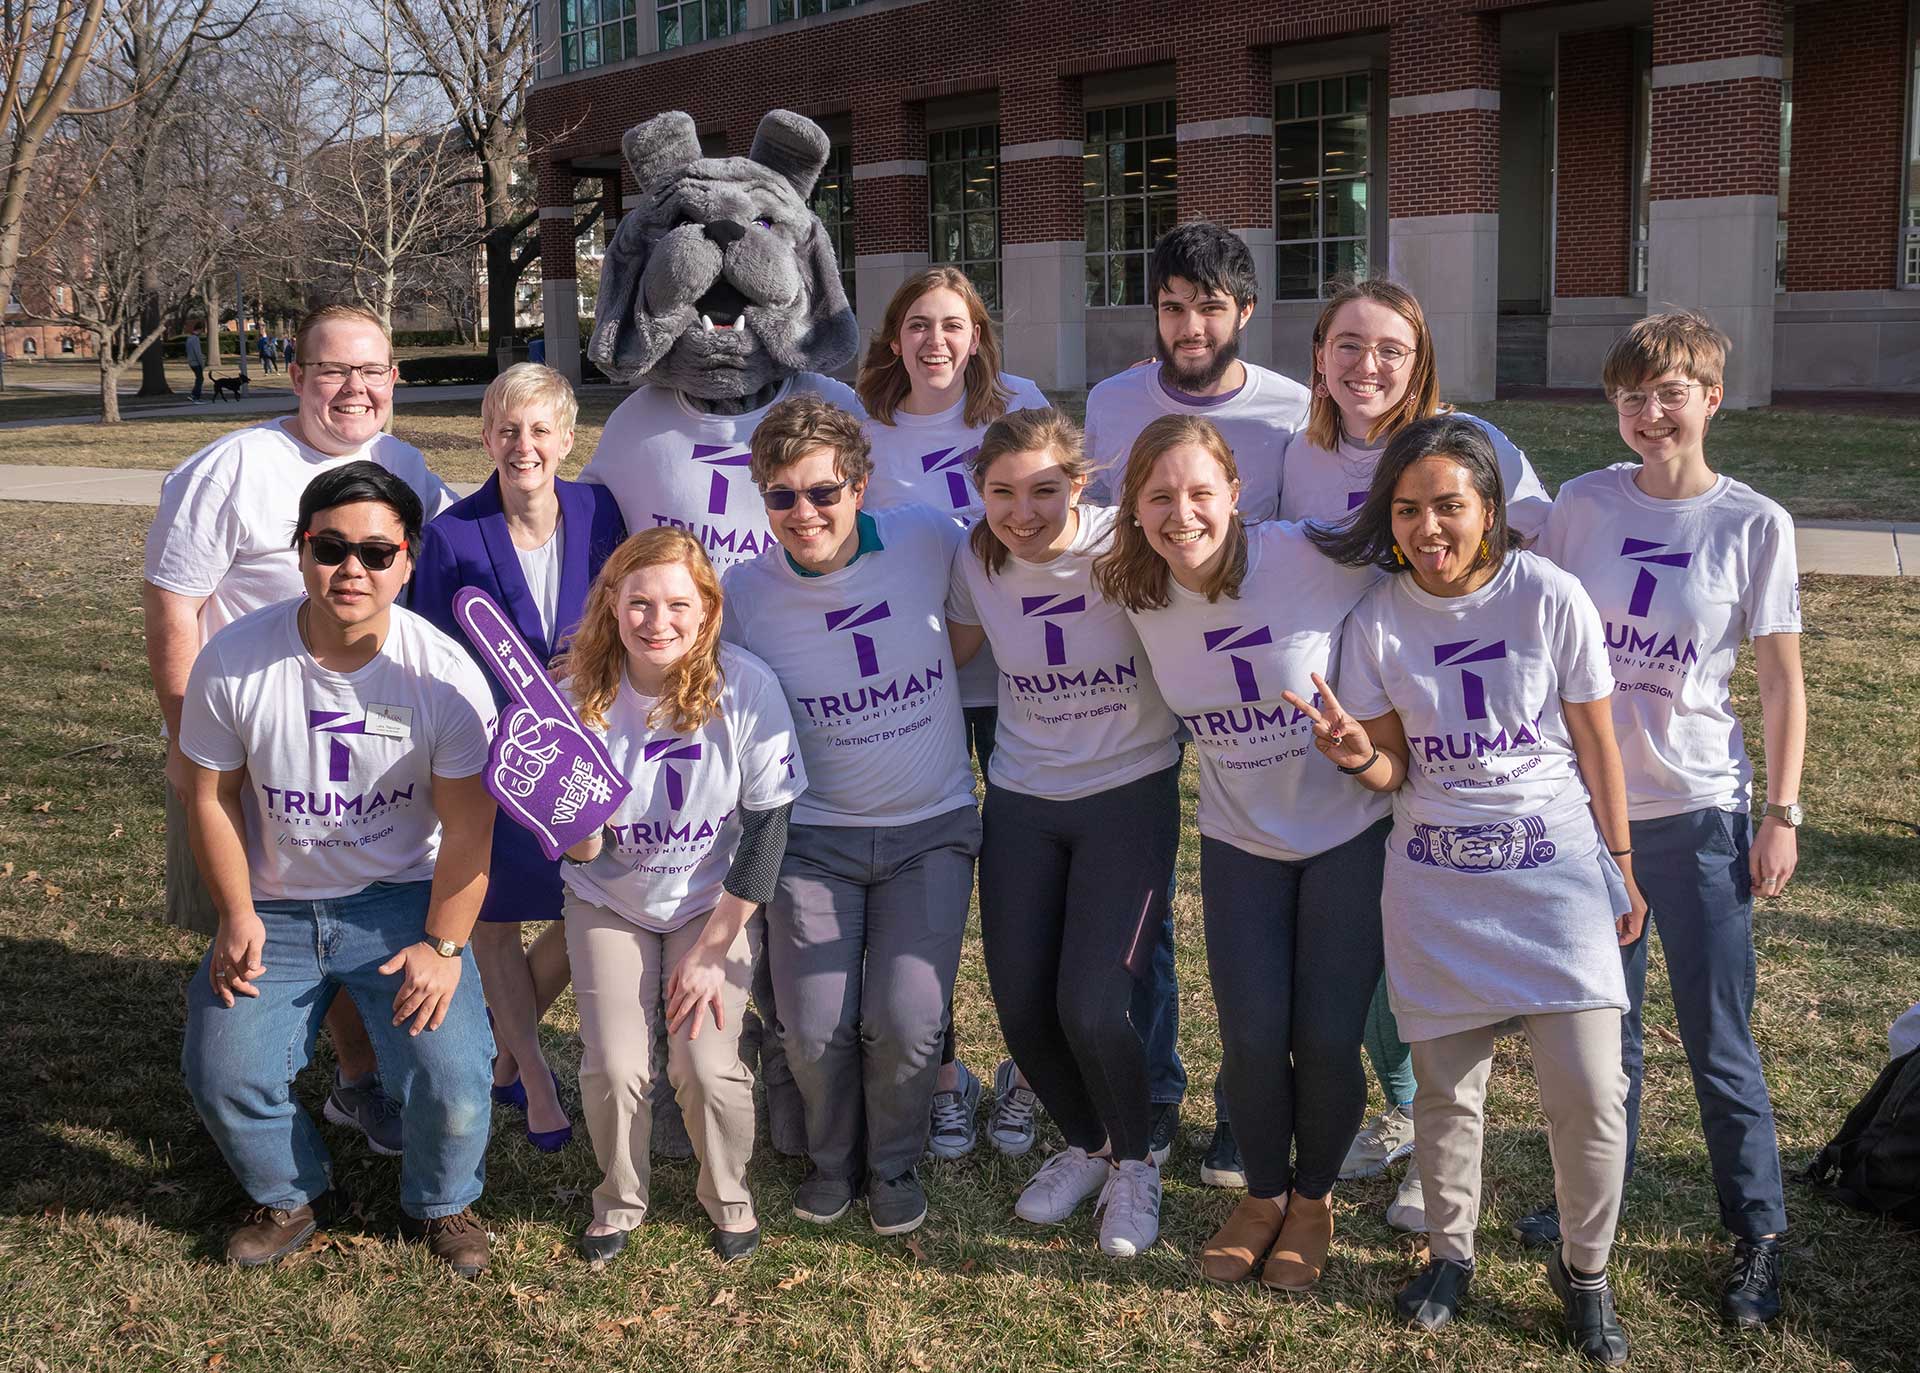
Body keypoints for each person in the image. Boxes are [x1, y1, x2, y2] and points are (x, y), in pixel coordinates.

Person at [1298, 415, 1644, 1363]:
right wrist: (1356, 752)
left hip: (1554, 872)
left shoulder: (1549, 597)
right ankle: (1452, 1256)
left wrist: (1621, 862)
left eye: (1448, 505)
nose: (1426, 528)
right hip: (1436, 881)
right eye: (1407, 510)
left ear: (1490, 508)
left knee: (1591, 1092)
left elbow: (1598, 741)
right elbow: (1391, 768)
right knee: (1450, 1096)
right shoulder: (1375, 622)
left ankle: (1586, 1274)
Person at [1530, 310, 1804, 1330]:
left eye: (1670, 393)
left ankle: (1759, 1230)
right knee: (1606, 1034)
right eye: (1631, 396)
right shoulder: (1582, 503)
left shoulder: (1752, 522)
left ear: (1711, 396)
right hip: (1590, 813)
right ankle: (1594, 1199)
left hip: (1695, 811)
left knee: (1715, 1037)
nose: (1649, 414)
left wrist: (1779, 812)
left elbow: (1780, 683)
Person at [145, 302, 457, 1158]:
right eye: (332, 370)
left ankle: (359, 1082)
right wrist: (190, 746)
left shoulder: (405, 464)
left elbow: (458, 557)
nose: (353, 389)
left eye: (371, 371)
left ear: (395, 379)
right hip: (248, 750)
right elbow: (173, 608)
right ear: (298, 375)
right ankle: (257, 1078)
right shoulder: (234, 467)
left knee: (354, 908)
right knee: (256, 922)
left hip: (363, 750)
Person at [1278, 278, 1555, 1233]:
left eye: (1390, 348)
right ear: (1319, 357)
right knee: (1366, 938)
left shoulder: (1471, 441)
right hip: (1346, 724)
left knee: (1422, 951)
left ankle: (1418, 1121)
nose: (1367, 365)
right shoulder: (1299, 457)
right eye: (1347, 345)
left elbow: (1535, 550)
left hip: (1450, 729)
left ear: (1420, 359)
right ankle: (1399, 1113)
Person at [178, 462, 498, 1275]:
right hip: (276, 907)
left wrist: (445, 947)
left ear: (408, 559)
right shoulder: (233, 660)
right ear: (300, 550)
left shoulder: (446, 677)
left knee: (457, 1078)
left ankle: (442, 1200)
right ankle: (289, 1195)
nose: (352, 568)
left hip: (400, 901)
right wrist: (236, 911)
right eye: (330, 547)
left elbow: (468, 829)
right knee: (222, 1070)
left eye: (376, 551)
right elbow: (209, 798)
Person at [1095, 414, 1387, 1291]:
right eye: (1159, 497)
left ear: (1235, 494)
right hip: (1239, 842)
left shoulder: (1305, 554)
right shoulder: (1135, 590)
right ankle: (1262, 1194)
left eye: (1199, 492)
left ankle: (1314, 1200)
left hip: (1346, 833)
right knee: (1255, 1037)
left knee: (1328, 1039)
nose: (1181, 514)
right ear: (1135, 511)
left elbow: (1426, 552)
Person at [1083, 221, 1311, 1185]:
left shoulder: (1293, 410)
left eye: (1210, 306)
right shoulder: (1110, 401)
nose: (1189, 324)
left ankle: (1253, 1094)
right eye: (1173, 306)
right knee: (1151, 894)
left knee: (1259, 887)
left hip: (1251, 682)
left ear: (1245, 312)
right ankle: (1162, 1080)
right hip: (1145, 658)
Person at [720, 396, 978, 1237]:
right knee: (815, 1028)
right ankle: (835, 1160)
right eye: (783, 497)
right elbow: (671, 649)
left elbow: (1003, 596)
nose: (805, 514)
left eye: (824, 492)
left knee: (904, 1022)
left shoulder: (925, 539)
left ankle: (894, 1163)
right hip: (815, 841)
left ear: (859, 487)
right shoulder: (745, 594)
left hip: (930, 828)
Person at [944, 408, 1180, 1256]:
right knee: (1017, 999)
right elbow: (943, 648)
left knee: (1093, 998)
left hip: (1127, 788)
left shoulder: (1129, 542)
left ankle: (1139, 1163)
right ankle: (1090, 1145)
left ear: (1080, 484)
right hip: (1021, 795)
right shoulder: (978, 558)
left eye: (1045, 489)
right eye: (1001, 492)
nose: (1022, 512)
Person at [554, 529, 806, 1265]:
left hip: (711, 900)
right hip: (610, 898)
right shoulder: (577, 692)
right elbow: (583, 850)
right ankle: (618, 1200)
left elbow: (766, 832)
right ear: (612, 603)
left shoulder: (746, 686)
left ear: (707, 610)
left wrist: (711, 950)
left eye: (675, 604)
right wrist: (580, 818)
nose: (656, 621)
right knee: (616, 1064)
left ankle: (728, 1195)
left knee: (703, 1063)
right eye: (638, 602)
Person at [855, 265, 1049, 1159]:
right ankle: (943, 1074)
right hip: (908, 688)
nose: (936, 341)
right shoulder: (863, 425)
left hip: (1012, 683)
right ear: (894, 337)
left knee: (1020, 880)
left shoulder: (1016, 410)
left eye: (954, 324)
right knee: (928, 891)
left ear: (978, 336)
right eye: (919, 325)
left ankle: (1026, 1068)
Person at [411, 363, 628, 1154]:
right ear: (486, 437)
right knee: (497, 917)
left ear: (568, 439)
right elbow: (433, 653)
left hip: (586, 744)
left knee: (591, 897)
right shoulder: (453, 533)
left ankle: (503, 1047)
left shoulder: (600, 509)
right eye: (508, 428)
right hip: (493, 753)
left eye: (540, 430)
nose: (524, 445)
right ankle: (534, 1075)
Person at [185, 321, 206, 404]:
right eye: (202, 330)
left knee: (199, 379)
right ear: (200, 329)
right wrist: (202, 363)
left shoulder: (189, 338)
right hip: (196, 363)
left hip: (191, 362)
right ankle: (195, 397)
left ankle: (194, 395)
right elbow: (197, 352)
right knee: (200, 379)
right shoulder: (195, 339)